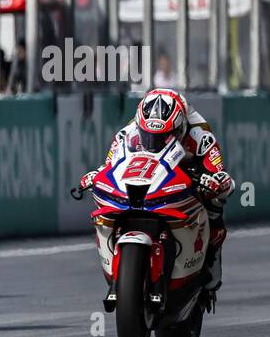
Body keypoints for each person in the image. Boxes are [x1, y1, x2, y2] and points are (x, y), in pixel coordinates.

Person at [79, 88, 233, 291]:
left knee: (216, 199)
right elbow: (110, 165)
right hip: (148, 176)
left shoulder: (200, 135)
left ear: (179, 128)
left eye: (163, 137)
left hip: (186, 174)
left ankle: (211, 257)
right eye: (149, 136)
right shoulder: (128, 133)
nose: (155, 142)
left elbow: (220, 174)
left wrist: (215, 181)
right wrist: (95, 175)